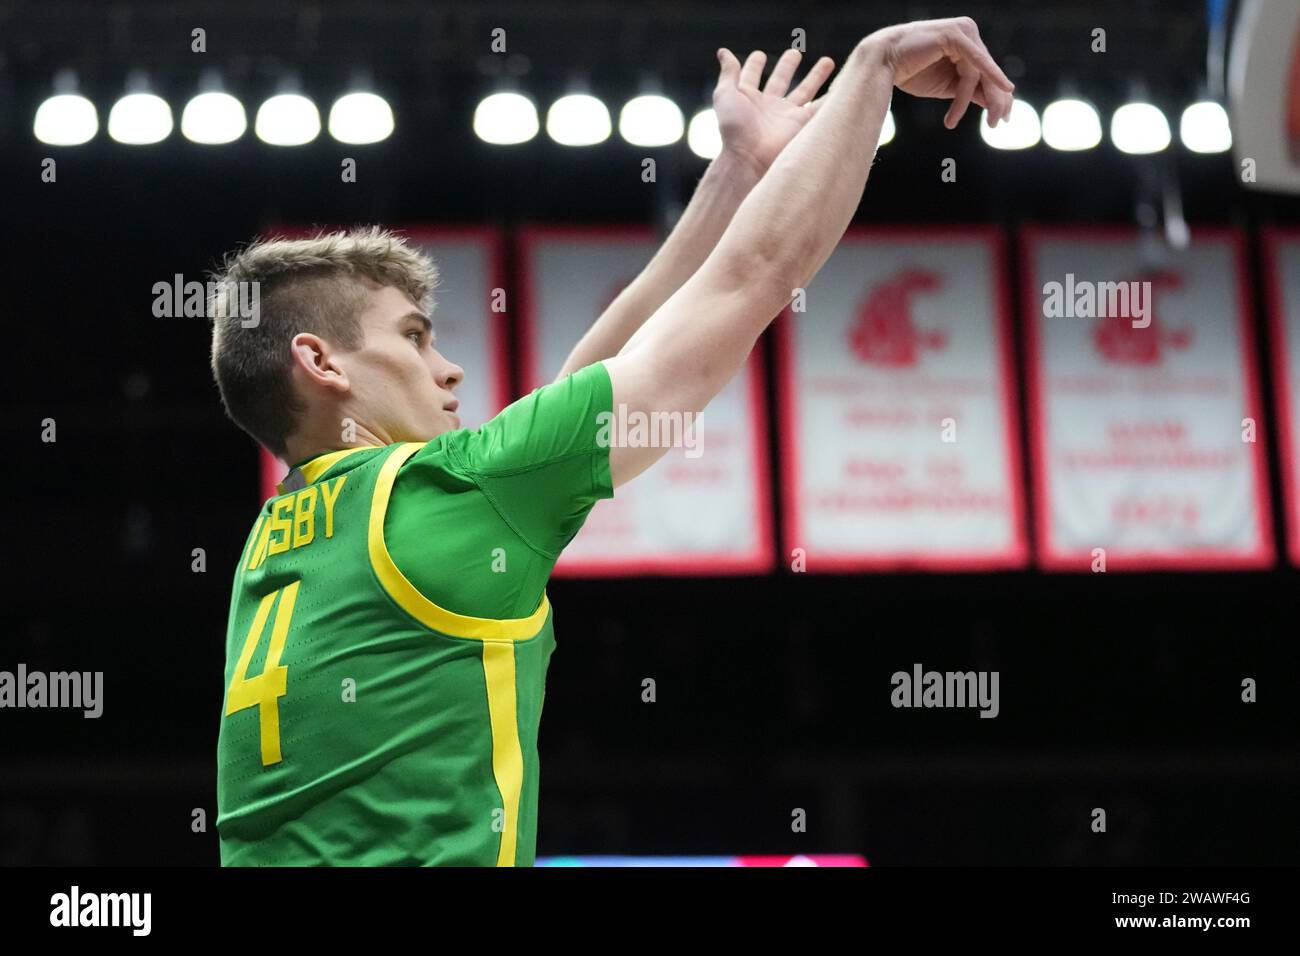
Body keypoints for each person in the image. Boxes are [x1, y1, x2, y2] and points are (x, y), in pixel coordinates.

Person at [209, 17, 1013, 866]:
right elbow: (754, 276)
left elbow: (590, 381)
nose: (448, 371)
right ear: (320, 361)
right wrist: (874, 70)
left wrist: (738, 169)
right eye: (413, 337)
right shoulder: (445, 500)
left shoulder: (280, 539)